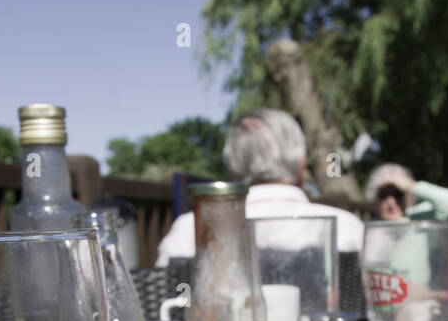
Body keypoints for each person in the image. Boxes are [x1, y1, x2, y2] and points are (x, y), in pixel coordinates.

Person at [156, 109, 365, 266]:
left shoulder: (191, 230)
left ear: (231, 169)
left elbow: (167, 310)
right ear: (301, 165)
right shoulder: (346, 228)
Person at [364, 164, 448, 221]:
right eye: (383, 194)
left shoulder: (418, 218)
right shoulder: (370, 227)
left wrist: (411, 185)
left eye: (398, 193)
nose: (391, 202)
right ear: (375, 200)